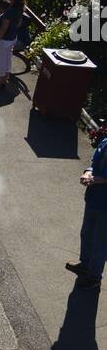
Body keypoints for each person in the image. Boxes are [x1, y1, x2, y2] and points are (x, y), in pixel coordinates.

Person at [66, 124, 107, 291]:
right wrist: (88, 172)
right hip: (94, 198)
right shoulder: (105, 140)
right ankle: (85, 265)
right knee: (87, 233)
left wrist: (97, 179)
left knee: (101, 242)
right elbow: (94, 161)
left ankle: (94, 278)